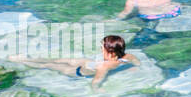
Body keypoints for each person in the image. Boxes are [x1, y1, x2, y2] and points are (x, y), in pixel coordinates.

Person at [12, 33, 140, 89]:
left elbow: (96, 82)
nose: (100, 50)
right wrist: (135, 68)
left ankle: (23, 60)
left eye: (102, 49)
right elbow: (136, 60)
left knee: (49, 64)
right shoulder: (126, 56)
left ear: (110, 52)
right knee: (56, 60)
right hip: (85, 62)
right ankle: (26, 58)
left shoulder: (104, 66)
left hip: (76, 71)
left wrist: (97, 90)